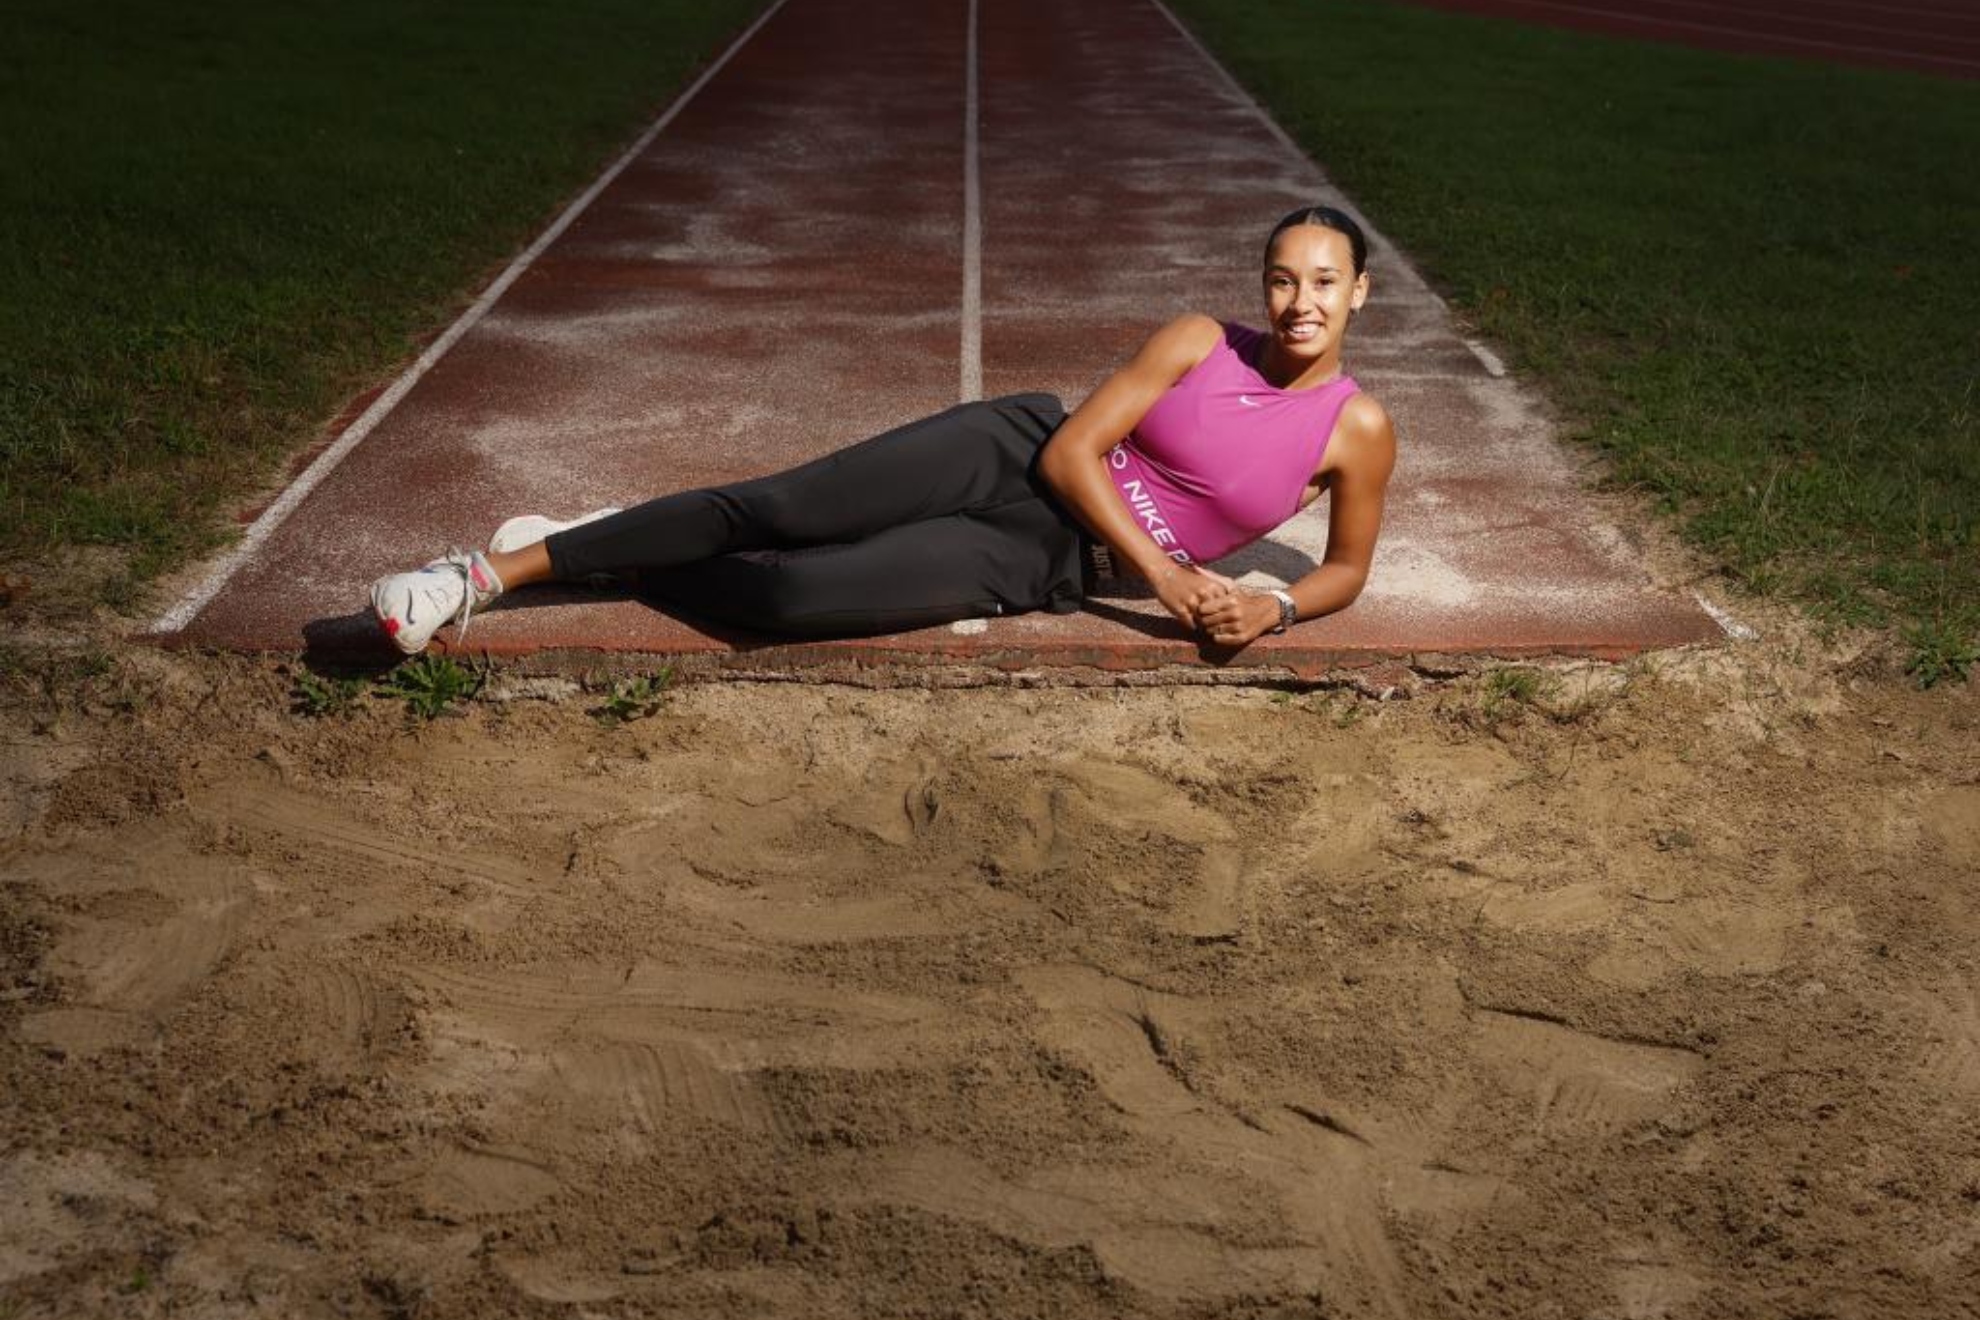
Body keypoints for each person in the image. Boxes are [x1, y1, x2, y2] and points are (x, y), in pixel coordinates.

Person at [369, 205, 1396, 654]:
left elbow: (1345, 568)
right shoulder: (1197, 340)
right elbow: (1074, 450)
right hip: (1016, 451)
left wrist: (1277, 613)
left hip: (1047, 557)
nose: (1298, 301)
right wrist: (1171, 582)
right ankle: (480, 578)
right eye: (1281, 277)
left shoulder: (1358, 430)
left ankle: (616, 544)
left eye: (1322, 282)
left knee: (793, 594)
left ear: (1360, 294)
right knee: (782, 508)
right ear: (1261, 283)